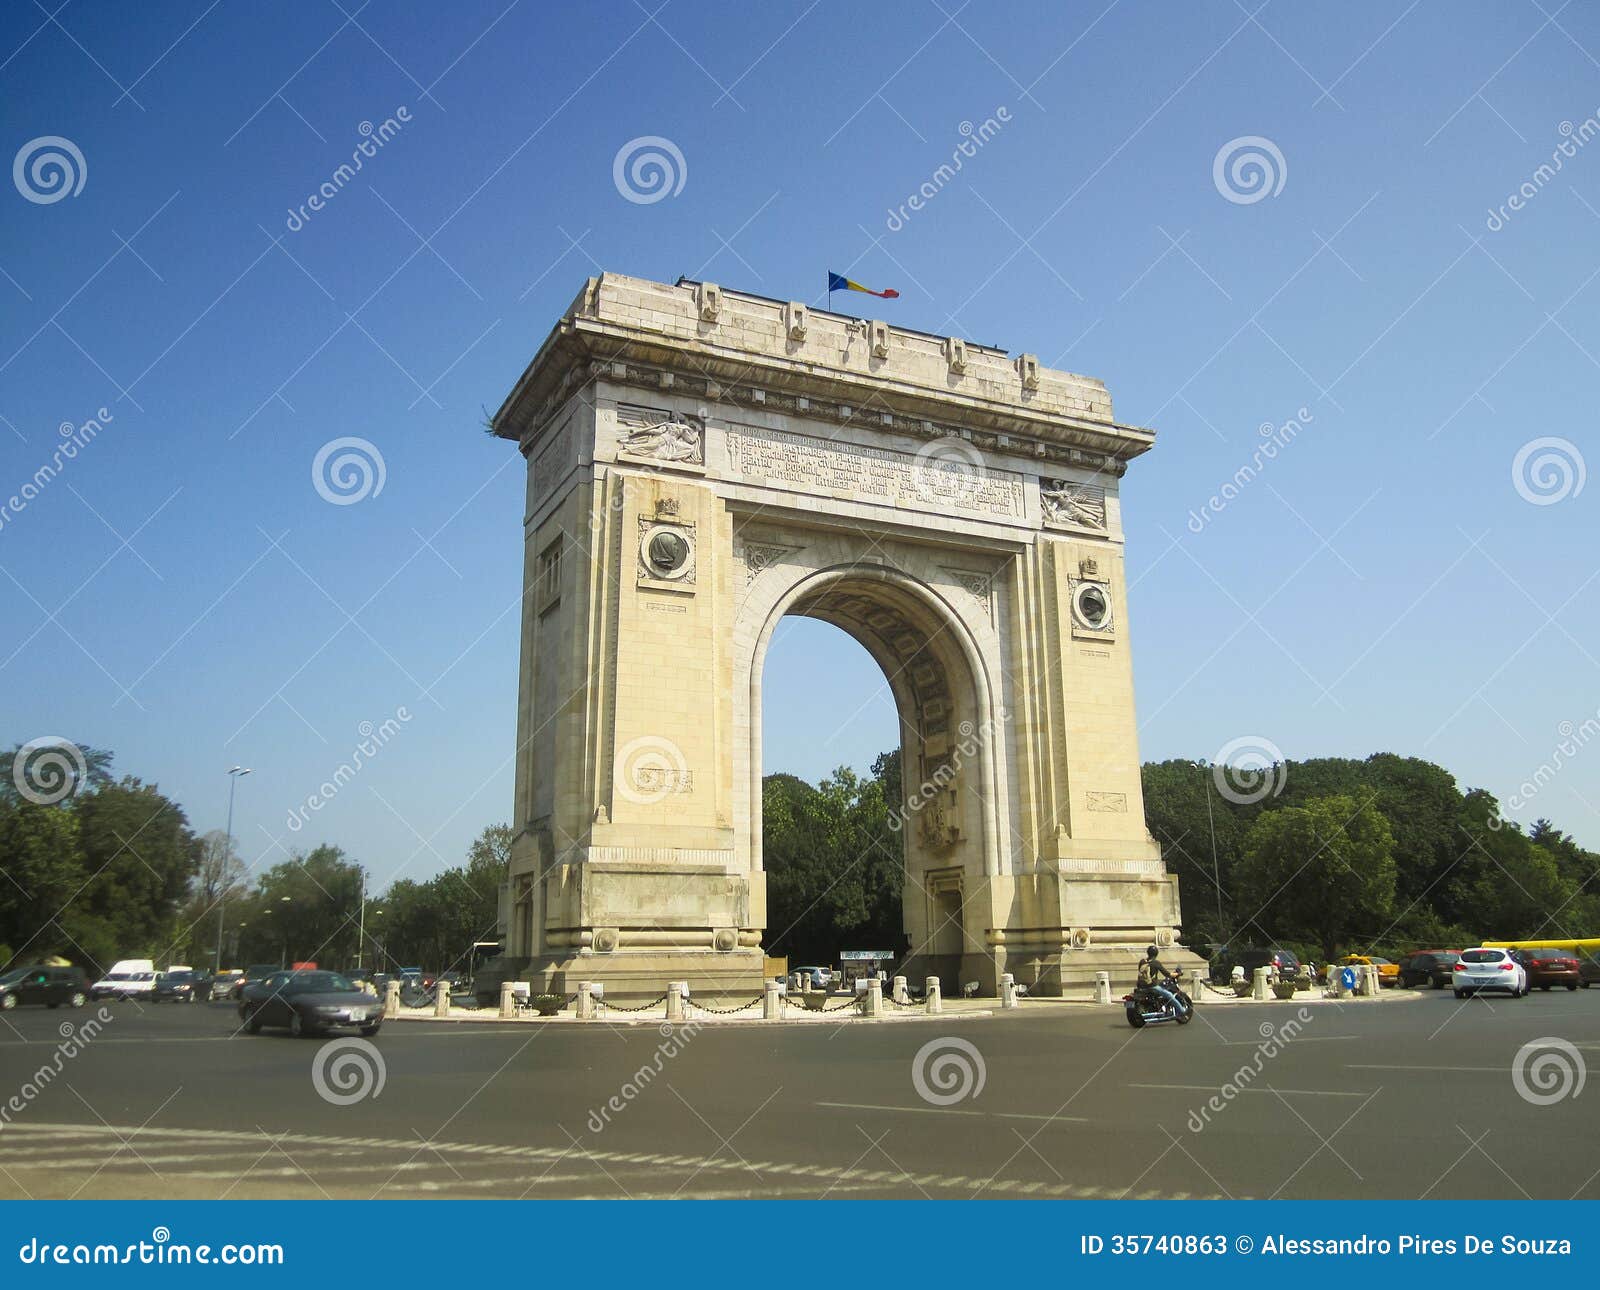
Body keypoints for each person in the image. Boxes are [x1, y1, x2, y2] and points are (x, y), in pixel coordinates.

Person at [1136, 944, 1180, 1012]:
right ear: (1156, 954)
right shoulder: (1156, 962)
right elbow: (1167, 974)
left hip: (1140, 987)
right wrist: (1177, 974)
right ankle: (1182, 1011)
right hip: (1152, 987)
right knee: (1170, 995)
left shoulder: (1142, 961)